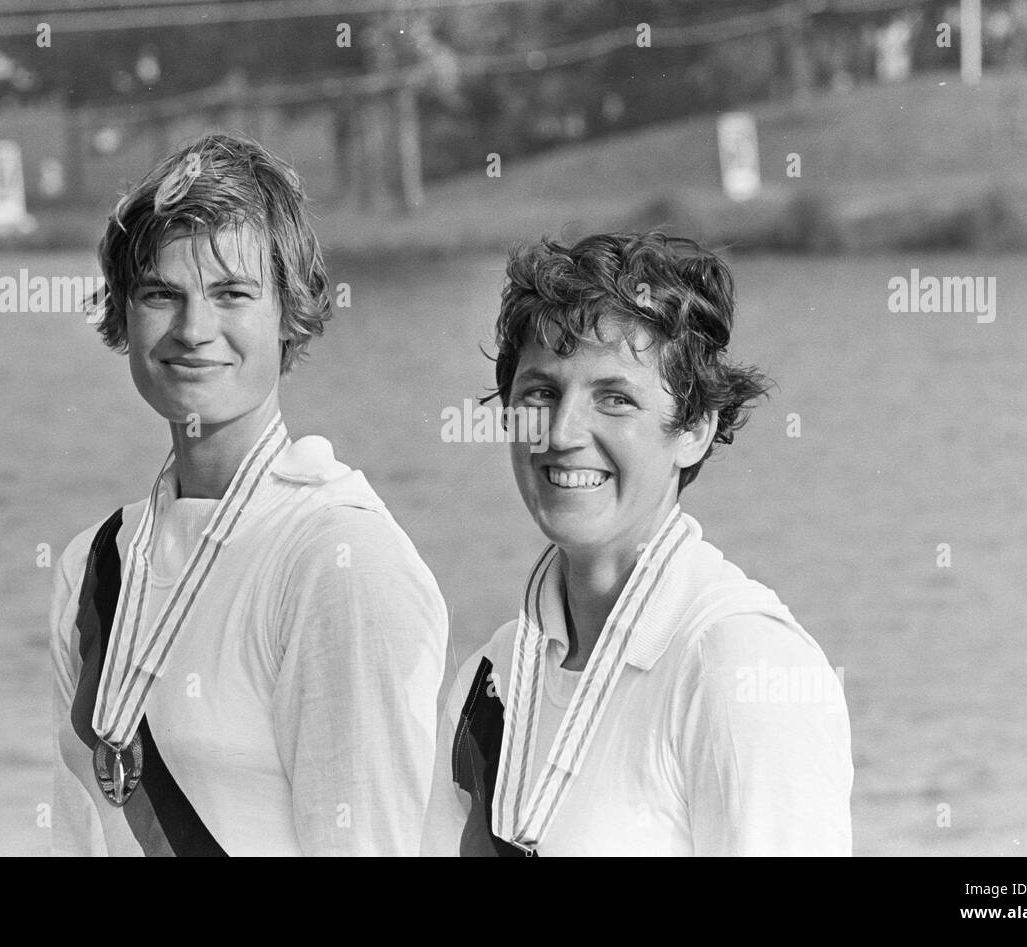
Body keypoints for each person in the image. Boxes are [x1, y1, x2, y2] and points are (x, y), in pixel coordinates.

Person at [49, 133, 447, 856]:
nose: (194, 330)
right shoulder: (94, 563)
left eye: (232, 293)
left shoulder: (340, 559)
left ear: (289, 313)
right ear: (123, 315)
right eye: (160, 294)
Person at [422, 232, 852, 856]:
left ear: (696, 430)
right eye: (541, 392)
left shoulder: (744, 665)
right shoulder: (490, 676)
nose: (564, 432)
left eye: (615, 399)